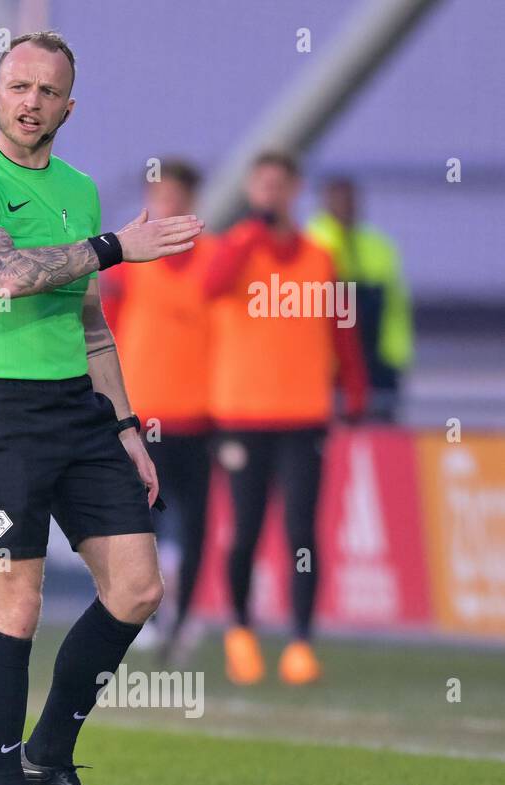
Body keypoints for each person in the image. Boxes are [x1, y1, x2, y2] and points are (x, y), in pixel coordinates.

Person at [0, 32, 204, 785]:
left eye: (47, 92)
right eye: (18, 87)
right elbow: (5, 274)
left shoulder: (80, 192)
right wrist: (118, 245)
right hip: (0, 410)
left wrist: (125, 424)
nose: (31, 102)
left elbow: (90, 326)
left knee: (137, 590)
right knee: (16, 601)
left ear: (68, 106)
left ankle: (50, 755)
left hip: (79, 413)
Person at [205, 151, 367, 687]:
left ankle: (300, 641)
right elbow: (211, 286)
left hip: (303, 416)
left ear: (294, 189)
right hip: (242, 415)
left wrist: (356, 390)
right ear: (253, 189)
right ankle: (241, 632)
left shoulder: (319, 256)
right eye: (263, 185)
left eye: (280, 184)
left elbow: (342, 328)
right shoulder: (234, 248)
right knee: (246, 530)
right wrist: (250, 234)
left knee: (301, 530)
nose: (271, 194)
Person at [100, 159, 215, 666]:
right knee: (136, 521)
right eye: (157, 195)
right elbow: (105, 335)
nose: (163, 206)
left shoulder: (216, 259)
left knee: (193, 526)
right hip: (139, 417)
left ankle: (184, 617)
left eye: (172, 196)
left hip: (202, 414)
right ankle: (139, 616)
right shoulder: (128, 263)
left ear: (190, 201)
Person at [306, 177, 413, 422]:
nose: (347, 206)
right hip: (330, 364)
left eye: (351, 200)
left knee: (381, 428)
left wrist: (395, 353)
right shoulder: (311, 243)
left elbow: (396, 307)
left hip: (377, 359)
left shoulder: (379, 245)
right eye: (340, 200)